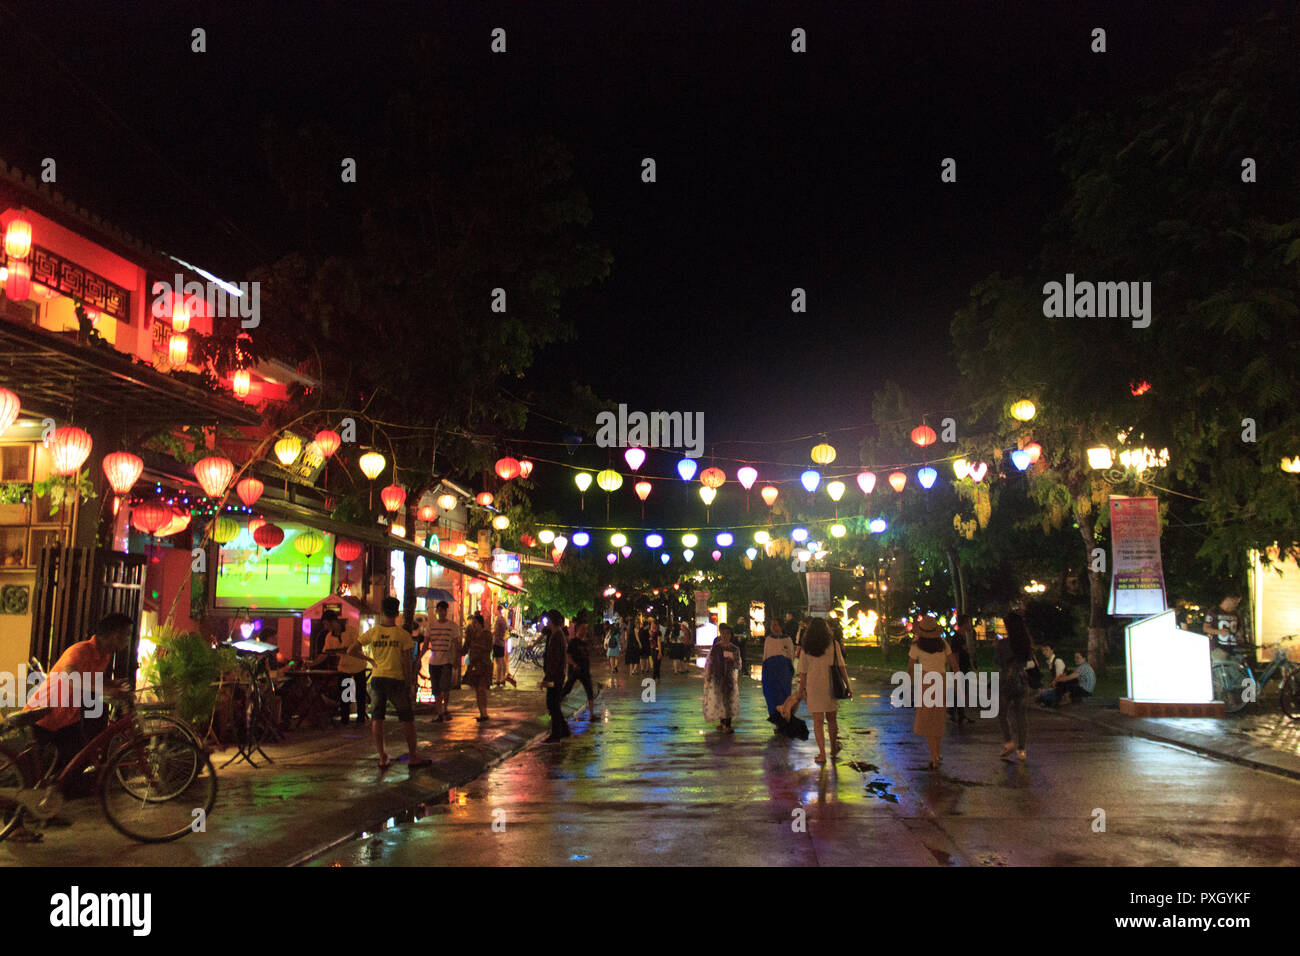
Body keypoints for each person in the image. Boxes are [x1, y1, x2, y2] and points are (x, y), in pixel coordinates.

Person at [359, 596, 430, 770]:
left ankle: (382, 757)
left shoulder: (374, 632)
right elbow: (406, 661)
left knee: (377, 718)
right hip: (396, 679)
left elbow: (351, 649)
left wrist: (370, 660)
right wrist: (410, 683)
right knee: (407, 718)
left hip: (377, 678)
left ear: (382, 611)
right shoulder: (402, 635)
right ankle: (413, 757)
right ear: (397, 613)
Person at [782, 618, 845, 763]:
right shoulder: (834, 645)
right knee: (832, 719)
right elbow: (841, 666)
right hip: (830, 686)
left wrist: (801, 690)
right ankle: (833, 749)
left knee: (818, 721)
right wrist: (846, 685)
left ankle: (822, 753)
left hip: (814, 686)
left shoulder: (806, 647)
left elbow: (803, 671)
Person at [908, 615, 958, 770]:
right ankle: (937, 752)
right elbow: (954, 665)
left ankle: (933, 755)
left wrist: (910, 684)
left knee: (927, 719)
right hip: (941, 681)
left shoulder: (916, 646)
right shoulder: (943, 645)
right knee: (938, 718)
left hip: (926, 682)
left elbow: (910, 668)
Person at [321, 610, 371, 724]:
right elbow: (325, 652)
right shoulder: (329, 636)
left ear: (333, 622)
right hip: (344, 667)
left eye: (326, 624)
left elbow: (354, 648)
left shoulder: (350, 631)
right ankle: (345, 718)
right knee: (345, 693)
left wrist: (339, 651)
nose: (326, 627)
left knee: (360, 693)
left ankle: (360, 717)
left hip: (358, 665)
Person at [997, 612, 1032, 761]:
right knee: (1021, 716)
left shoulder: (1004, 644)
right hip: (1022, 680)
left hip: (1007, 680)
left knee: (1002, 713)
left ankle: (1009, 741)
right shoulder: (1026, 643)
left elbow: (998, 661)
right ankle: (1022, 749)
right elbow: (1028, 661)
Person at [702, 623, 741, 732]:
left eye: (727, 633)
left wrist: (732, 662)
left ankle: (728, 724)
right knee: (719, 699)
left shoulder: (734, 649)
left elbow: (738, 664)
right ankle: (722, 721)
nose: (725, 636)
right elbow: (710, 662)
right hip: (717, 677)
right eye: (723, 633)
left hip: (729, 678)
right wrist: (708, 675)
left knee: (728, 700)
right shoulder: (716, 648)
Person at [424, 601, 459, 722]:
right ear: (437, 611)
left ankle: (445, 709)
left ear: (446, 611)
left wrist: (455, 658)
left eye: (443, 610)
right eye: (439, 610)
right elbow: (426, 642)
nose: (441, 613)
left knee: (445, 687)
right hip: (434, 661)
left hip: (446, 661)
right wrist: (420, 657)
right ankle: (440, 712)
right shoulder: (431, 626)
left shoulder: (452, 626)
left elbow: (456, 644)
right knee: (436, 689)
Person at [541, 610, 570, 742]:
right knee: (554, 704)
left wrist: (548, 677)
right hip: (556, 675)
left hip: (555, 676)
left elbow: (555, 659)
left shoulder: (557, 636)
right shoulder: (556, 634)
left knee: (552, 704)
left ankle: (557, 732)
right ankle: (563, 729)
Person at [562, 610, 597, 720]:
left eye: (585, 629)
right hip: (575, 671)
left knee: (590, 692)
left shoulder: (585, 643)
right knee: (567, 689)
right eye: (583, 629)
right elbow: (567, 656)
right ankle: (555, 707)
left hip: (584, 671)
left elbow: (587, 657)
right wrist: (574, 665)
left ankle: (591, 715)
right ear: (578, 629)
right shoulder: (573, 642)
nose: (584, 631)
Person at [761, 619, 796, 723]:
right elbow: (765, 656)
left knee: (784, 697)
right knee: (772, 697)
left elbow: (791, 655)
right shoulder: (768, 639)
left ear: (781, 626)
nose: (774, 627)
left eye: (776, 625)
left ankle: (785, 719)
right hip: (771, 673)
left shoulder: (788, 639)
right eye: (772, 625)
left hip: (784, 673)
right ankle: (777, 721)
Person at [461, 612, 494, 722]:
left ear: (480, 624)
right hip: (474, 665)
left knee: (481, 689)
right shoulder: (471, 635)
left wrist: (477, 646)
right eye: (472, 623)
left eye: (475, 623)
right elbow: (465, 648)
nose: (473, 625)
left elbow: (489, 648)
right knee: (477, 690)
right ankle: (482, 713)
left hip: (484, 665)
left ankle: (484, 712)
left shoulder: (487, 634)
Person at [948, 617, 975, 726]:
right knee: (960, 691)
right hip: (959, 669)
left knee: (961, 691)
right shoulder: (957, 638)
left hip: (963, 668)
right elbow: (955, 655)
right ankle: (957, 714)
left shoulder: (962, 637)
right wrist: (956, 670)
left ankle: (955, 712)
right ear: (964, 624)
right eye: (969, 623)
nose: (970, 625)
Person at [1204, 594, 1245, 659]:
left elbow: (1239, 629)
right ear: (1229, 599)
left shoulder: (1236, 613)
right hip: (1218, 648)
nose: (1236, 604)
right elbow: (1206, 628)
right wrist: (1219, 632)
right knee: (1221, 667)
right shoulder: (1214, 611)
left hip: (1234, 649)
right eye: (1235, 602)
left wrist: (1239, 634)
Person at [492, 607, 516, 688]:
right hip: (501, 642)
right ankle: (502, 678)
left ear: (497, 610)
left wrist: (490, 633)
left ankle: (499, 680)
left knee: (499, 662)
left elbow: (495, 631)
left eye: (495, 610)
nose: (494, 611)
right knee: (501, 661)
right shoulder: (503, 620)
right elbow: (505, 629)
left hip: (497, 642)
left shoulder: (499, 620)